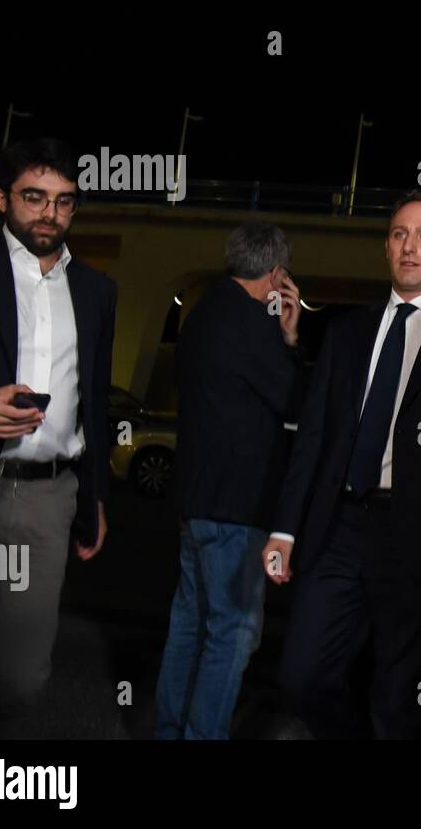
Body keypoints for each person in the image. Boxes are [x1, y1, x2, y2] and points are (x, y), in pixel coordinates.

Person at [267, 192, 421, 738]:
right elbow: (314, 438)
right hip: (341, 526)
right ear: (386, 246)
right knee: (302, 675)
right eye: (400, 234)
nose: (410, 246)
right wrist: (286, 529)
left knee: (402, 697)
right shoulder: (346, 333)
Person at [0, 138, 115, 738]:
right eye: (35, 198)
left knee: (21, 681)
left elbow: (97, 400)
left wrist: (95, 496)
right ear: (3, 197)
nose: (49, 214)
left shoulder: (97, 290)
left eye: (64, 202)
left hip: (45, 500)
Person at [153, 223, 307, 739]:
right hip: (236, 505)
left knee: (189, 624)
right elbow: (294, 401)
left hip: (195, 498)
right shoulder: (250, 322)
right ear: (275, 273)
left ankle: (171, 729)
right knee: (235, 632)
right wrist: (289, 336)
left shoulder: (201, 312)